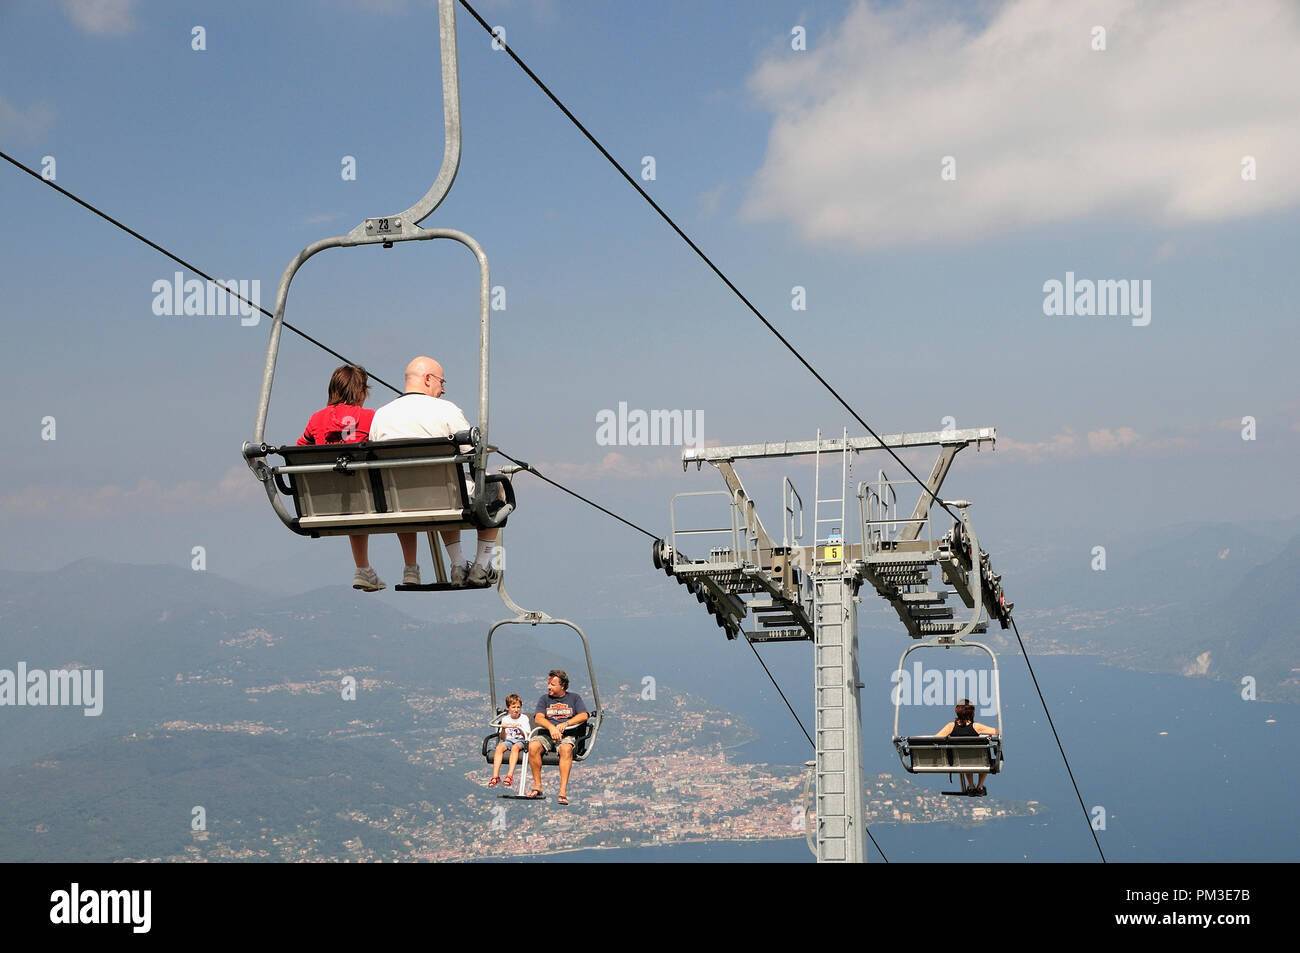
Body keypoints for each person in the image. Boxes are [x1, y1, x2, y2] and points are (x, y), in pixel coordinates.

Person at [369, 356, 500, 588]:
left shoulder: (380, 415)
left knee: (443, 494)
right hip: (443, 498)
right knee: (494, 487)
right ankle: (481, 565)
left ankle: (458, 563)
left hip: (398, 502)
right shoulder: (446, 410)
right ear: (428, 379)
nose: (443, 390)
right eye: (442, 382)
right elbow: (472, 453)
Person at [298, 365, 382, 591]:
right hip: (369, 499)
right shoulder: (370, 417)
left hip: (325, 502)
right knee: (358, 489)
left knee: (350, 491)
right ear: (361, 392)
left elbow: (299, 451)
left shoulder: (316, 419)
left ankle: (363, 568)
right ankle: (410, 566)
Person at [526, 669, 589, 805]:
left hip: (566, 735)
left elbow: (584, 715)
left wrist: (565, 724)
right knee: (533, 746)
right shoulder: (544, 699)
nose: (549, 687)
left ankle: (562, 791)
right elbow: (539, 717)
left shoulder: (574, 698)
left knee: (566, 749)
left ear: (562, 686)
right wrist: (551, 727)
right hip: (547, 735)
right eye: (548, 684)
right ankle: (538, 786)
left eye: (552, 684)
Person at [934, 698, 998, 795]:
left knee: (965, 758)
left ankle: (971, 786)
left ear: (957, 712)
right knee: (982, 758)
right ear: (972, 713)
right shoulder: (977, 727)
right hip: (979, 761)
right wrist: (988, 736)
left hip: (960, 762)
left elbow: (935, 738)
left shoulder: (950, 726)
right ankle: (979, 787)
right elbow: (996, 732)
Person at [489, 693, 531, 788]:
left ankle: (509, 775)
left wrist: (519, 728)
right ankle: (495, 776)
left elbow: (527, 735)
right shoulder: (505, 719)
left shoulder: (524, 718)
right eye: (513, 707)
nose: (516, 710)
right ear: (508, 708)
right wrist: (503, 728)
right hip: (509, 740)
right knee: (499, 747)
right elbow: (503, 737)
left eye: (518, 707)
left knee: (515, 748)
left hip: (521, 741)